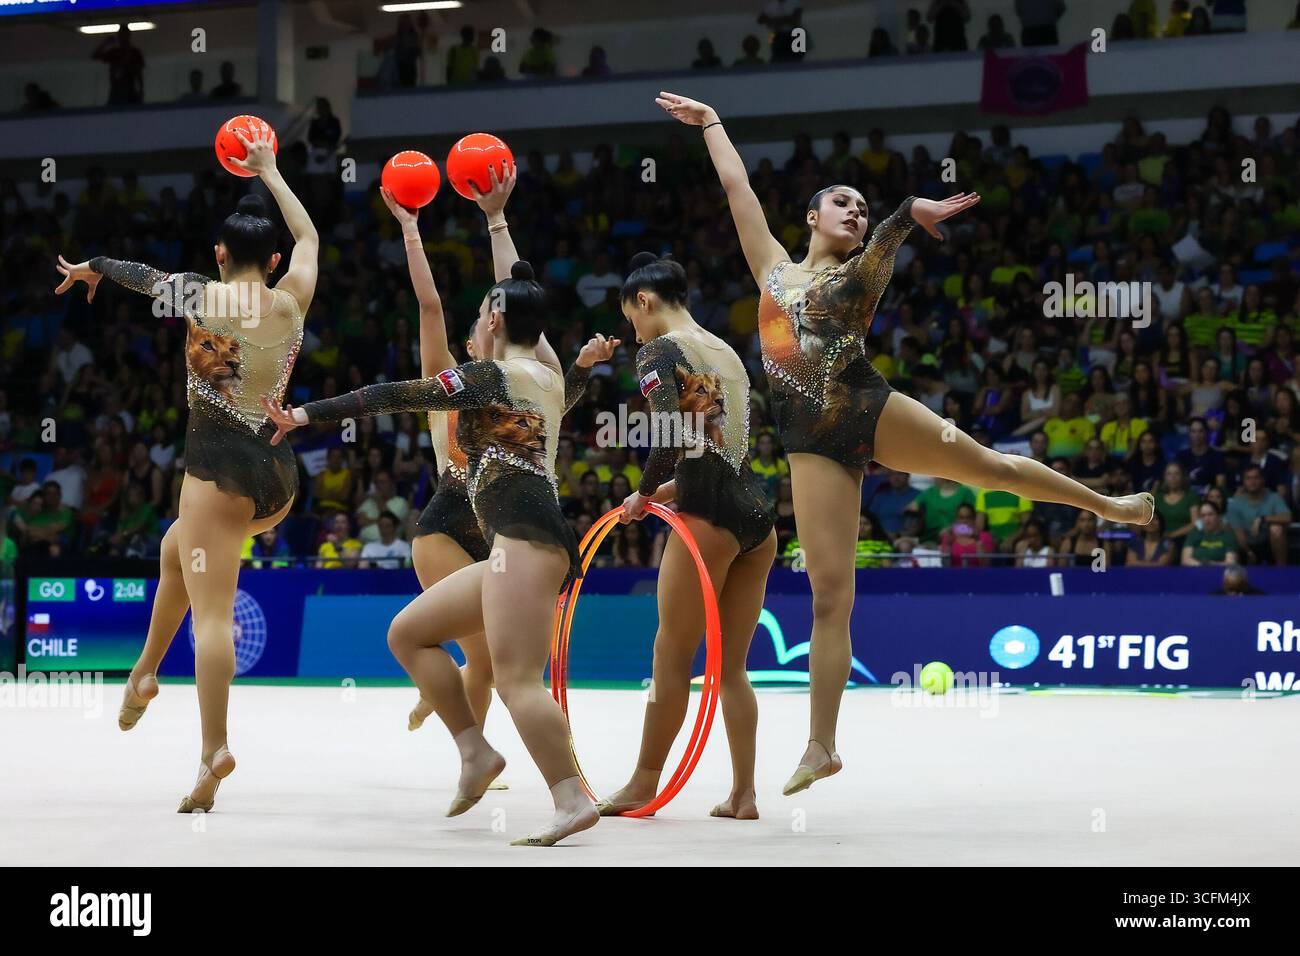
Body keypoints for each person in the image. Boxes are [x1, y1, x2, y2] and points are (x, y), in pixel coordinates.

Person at [658, 89, 1155, 794]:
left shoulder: (860, 272)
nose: (855, 212)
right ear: (811, 217)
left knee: (991, 468)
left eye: (863, 208)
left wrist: (903, 215)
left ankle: (1108, 506)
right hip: (811, 441)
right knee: (830, 595)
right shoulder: (771, 269)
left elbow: (886, 242)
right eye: (843, 203)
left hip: (867, 408)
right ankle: (822, 746)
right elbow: (737, 188)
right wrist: (711, 123)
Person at [265, 261, 613, 847]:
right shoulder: (550, 379)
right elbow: (540, 342)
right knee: (408, 633)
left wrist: (305, 414)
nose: (476, 322)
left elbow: (394, 395)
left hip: (525, 540)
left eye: (480, 313)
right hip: (518, 546)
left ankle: (571, 798)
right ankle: (475, 751)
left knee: (517, 681)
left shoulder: (489, 376)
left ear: (496, 319)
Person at [55, 122, 318, 813]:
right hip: (277, 481)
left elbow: (137, 275)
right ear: (274, 259)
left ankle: (213, 749)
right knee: (177, 551)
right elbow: (311, 237)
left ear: (219, 253)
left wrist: (91, 265)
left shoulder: (199, 294)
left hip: (215, 480)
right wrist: (270, 170)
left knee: (213, 616)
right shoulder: (292, 299)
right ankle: (144, 673)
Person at [597, 253, 777, 820]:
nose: (634, 334)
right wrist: (657, 493)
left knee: (671, 655)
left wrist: (644, 490)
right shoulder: (727, 352)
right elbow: (721, 452)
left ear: (644, 301)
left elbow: (672, 437)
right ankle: (744, 794)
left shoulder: (659, 351)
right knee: (732, 668)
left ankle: (643, 783)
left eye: (632, 320)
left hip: (708, 522)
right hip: (757, 519)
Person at [93, 30, 144, 105]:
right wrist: (106, 43)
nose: (123, 39)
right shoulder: (114, 52)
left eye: (125, 36)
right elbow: (95, 56)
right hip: (117, 90)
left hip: (129, 91)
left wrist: (141, 90)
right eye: (121, 36)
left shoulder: (134, 53)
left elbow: (139, 73)